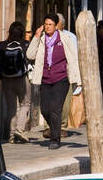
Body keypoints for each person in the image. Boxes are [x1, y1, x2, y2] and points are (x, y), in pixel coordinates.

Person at [27, 12, 81, 148]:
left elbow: (74, 58)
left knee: (56, 109)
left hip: (61, 78)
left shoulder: (65, 38)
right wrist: (36, 36)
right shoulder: (41, 39)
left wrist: (78, 80)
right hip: (45, 78)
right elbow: (30, 54)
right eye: (45, 24)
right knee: (45, 109)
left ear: (56, 25)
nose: (47, 27)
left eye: (50, 24)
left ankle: (55, 139)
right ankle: (55, 128)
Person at [0, 21, 30, 142]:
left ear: (10, 32)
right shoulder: (25, 44)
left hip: (6, 80)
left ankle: (11, 135)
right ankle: (19, 129)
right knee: (25, 104)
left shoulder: (2, 45)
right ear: (22, 33)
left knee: (11, 108)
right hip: (22, 79)